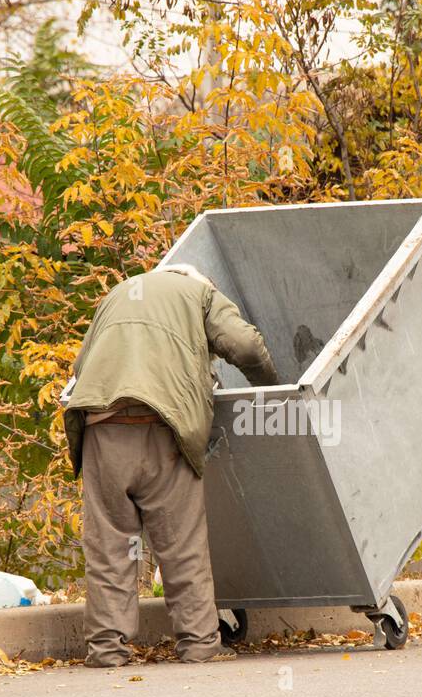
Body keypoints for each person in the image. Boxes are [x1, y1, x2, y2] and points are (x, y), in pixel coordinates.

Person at [62, 263, 279, 666]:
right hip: (163, 429)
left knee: (110, 546)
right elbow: (245, 346)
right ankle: (199, 644)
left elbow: (81, 368)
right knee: (181, 544)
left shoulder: (119, 292)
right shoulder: (201, 295)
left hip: (101, 431)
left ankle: (107, 650)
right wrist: (270, 386)